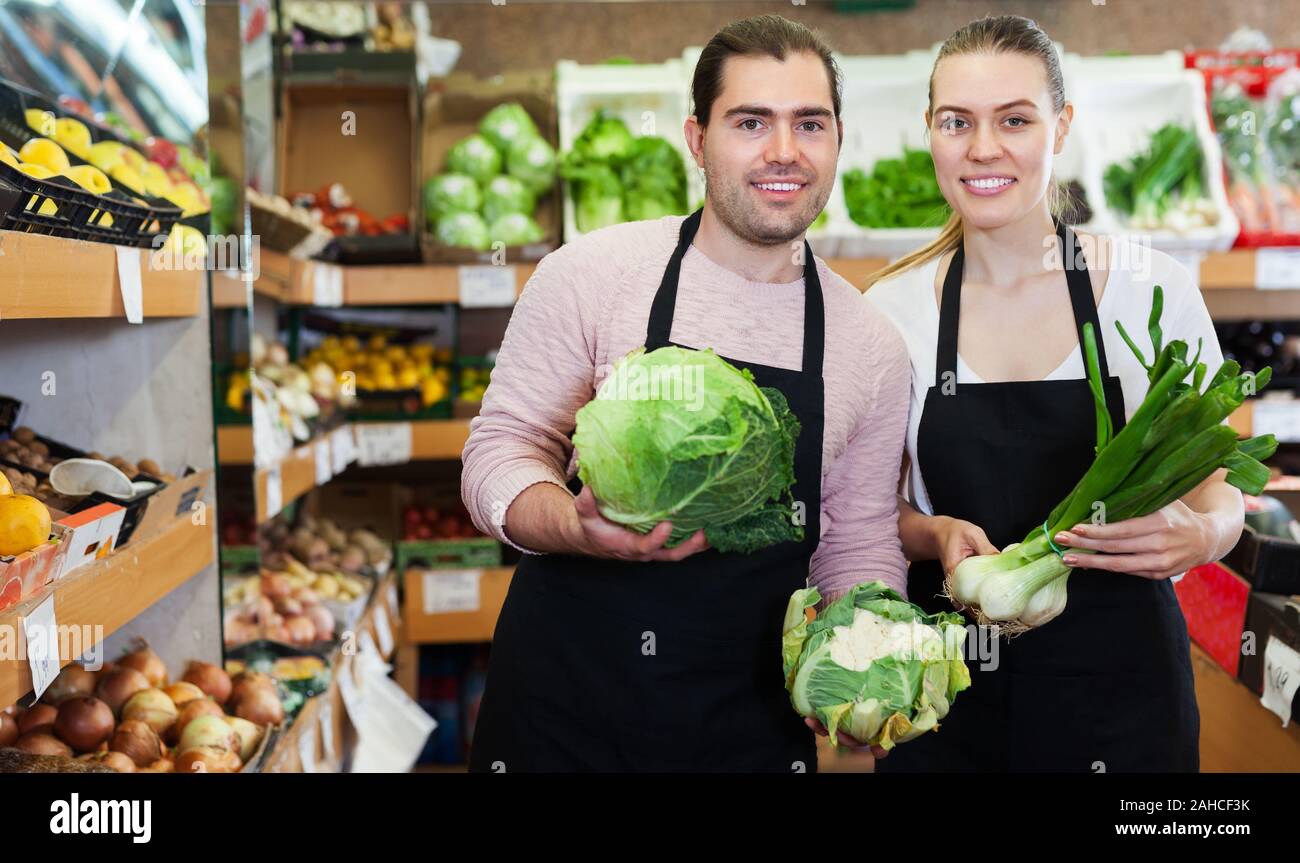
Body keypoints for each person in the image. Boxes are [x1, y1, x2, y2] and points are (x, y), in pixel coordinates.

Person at [461, 15, 910, 772]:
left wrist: (864, 666)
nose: (783, 152)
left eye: (810, 124)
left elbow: (858, 540)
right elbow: (499, 454)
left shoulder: (869, 344)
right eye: (750, 122)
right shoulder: (594, 274)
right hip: (564, 714)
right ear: (697, 140)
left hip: (744, 728)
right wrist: (572, 527)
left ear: (837, 139)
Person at [863, 15, 1245, 773]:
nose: (983, 148)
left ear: (1061, 126)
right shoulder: (892, 310)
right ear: (930, 132)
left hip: (1124, 697)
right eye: (956, 122)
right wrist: (934, 537)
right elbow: (869, 508)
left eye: (1015, 119)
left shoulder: (1147, 289)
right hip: (945, 694)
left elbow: (1221, 497)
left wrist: (1201, 538)